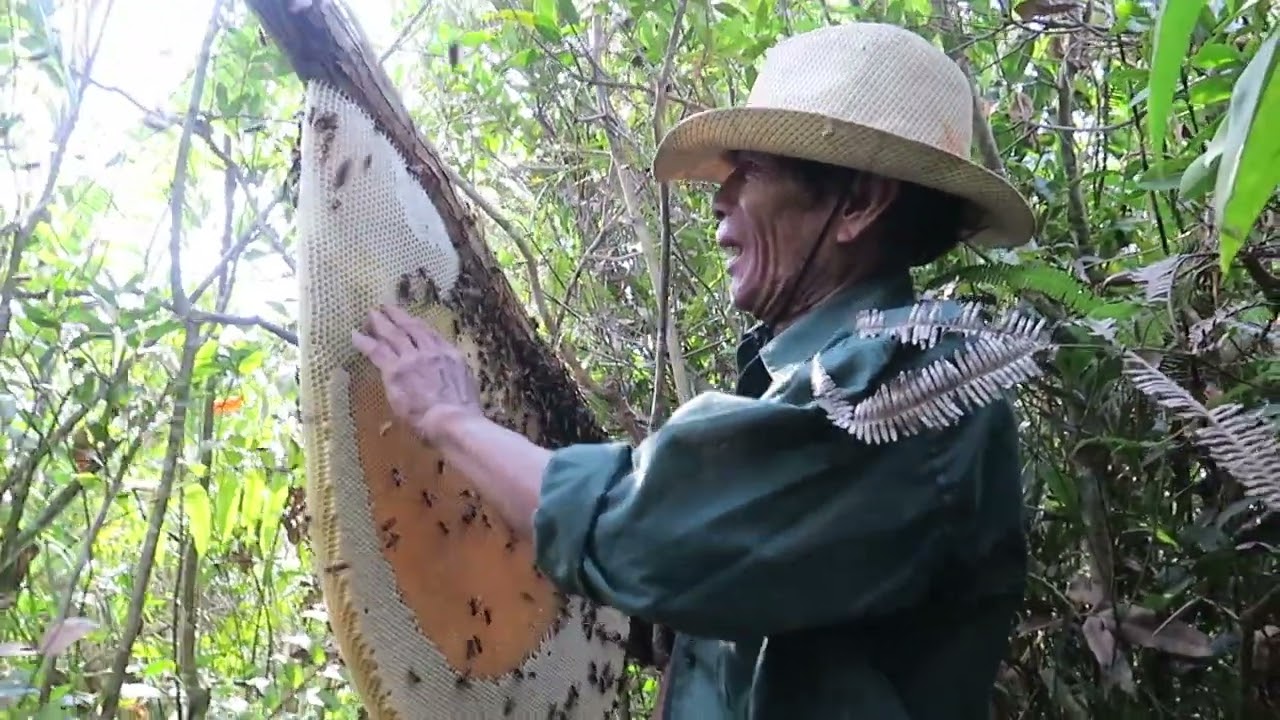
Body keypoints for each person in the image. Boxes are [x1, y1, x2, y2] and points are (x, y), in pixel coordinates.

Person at [352, 22, 1033, 720]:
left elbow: (638, 534)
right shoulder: (801, 381)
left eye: (752, 170)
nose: (719, 196)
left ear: (859, 204)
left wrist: (450, 419)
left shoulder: (915, 386)